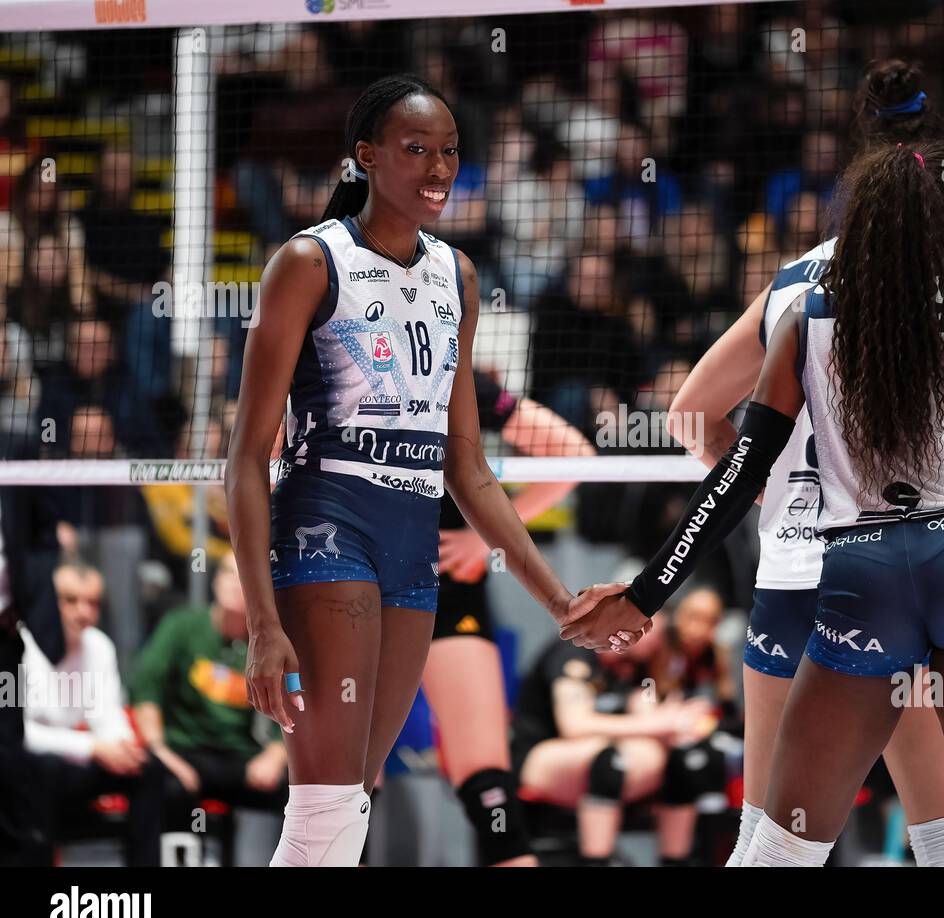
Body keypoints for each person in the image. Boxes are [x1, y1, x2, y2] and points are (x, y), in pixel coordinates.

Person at [564, 140, 944, 867]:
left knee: (779, 846)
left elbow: (740, 472)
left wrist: (646, 592)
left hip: (862, 578)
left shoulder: (807, 317)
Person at [224, 73, 619, 867]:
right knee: (329, 804)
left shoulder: (458, 276)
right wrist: (264, 626)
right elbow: (244, 458)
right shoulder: (307, 262)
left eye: (449, 152)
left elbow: (468, 467)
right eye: (415, 151)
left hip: (414, 553)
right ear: (365, 156)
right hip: (326, 528)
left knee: (353, 796)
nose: (438, 169)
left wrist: (558, 598)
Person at [661, 60, 944, 867]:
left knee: (764, 837)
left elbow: (690, 412)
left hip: (790, 571)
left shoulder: (794, 283)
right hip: (890, 576)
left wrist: (765, 479)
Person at [421, 368, 594, 866]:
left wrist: (484, 537)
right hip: (353, 587)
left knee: (489, 787)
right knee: (349, 787)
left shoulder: (456, 375)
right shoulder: (331, 357)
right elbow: (276, 463)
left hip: (447, 594)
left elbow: (573, 455)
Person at [509, 612, 717, 865]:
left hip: (594, 754)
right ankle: (597, 860)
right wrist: (659, 723)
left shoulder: (636, 664)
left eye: (654, 632)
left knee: (684, 758)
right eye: (645, 630)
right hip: (540, 755)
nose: (652, 640)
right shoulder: (575, 652)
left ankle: (676, 861)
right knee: (610, 760)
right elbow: (575, 725)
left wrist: (678, 724)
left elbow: (647, 719)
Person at [130, 554, 289, 827]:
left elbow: (291, 706)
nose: (235, 584)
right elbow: (145, 688)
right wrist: (161, 752)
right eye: (228, 573)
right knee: (161, 787)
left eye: (246, 577)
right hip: (182, 752)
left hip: (238, 758)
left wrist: (274, 757)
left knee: (308, 792)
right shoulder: (181, 626)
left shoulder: (269, 642)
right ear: (216, 581)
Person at [23, 560, 165, 866]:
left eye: (92, 602)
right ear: (49, 600)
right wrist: (93, 746)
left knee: (148, 768)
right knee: (41, 769)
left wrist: (122, 746)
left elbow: (107, 714)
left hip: (77, 762)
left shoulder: (99, 646)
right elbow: (20, 734)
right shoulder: (19, 646)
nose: (83, 612)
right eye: (71, 600)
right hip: (31, 768)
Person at [0, 475, 67, 865]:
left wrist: (30, 591)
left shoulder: (16, 459)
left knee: (8, 757)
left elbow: (45, 531)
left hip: (4, 640)